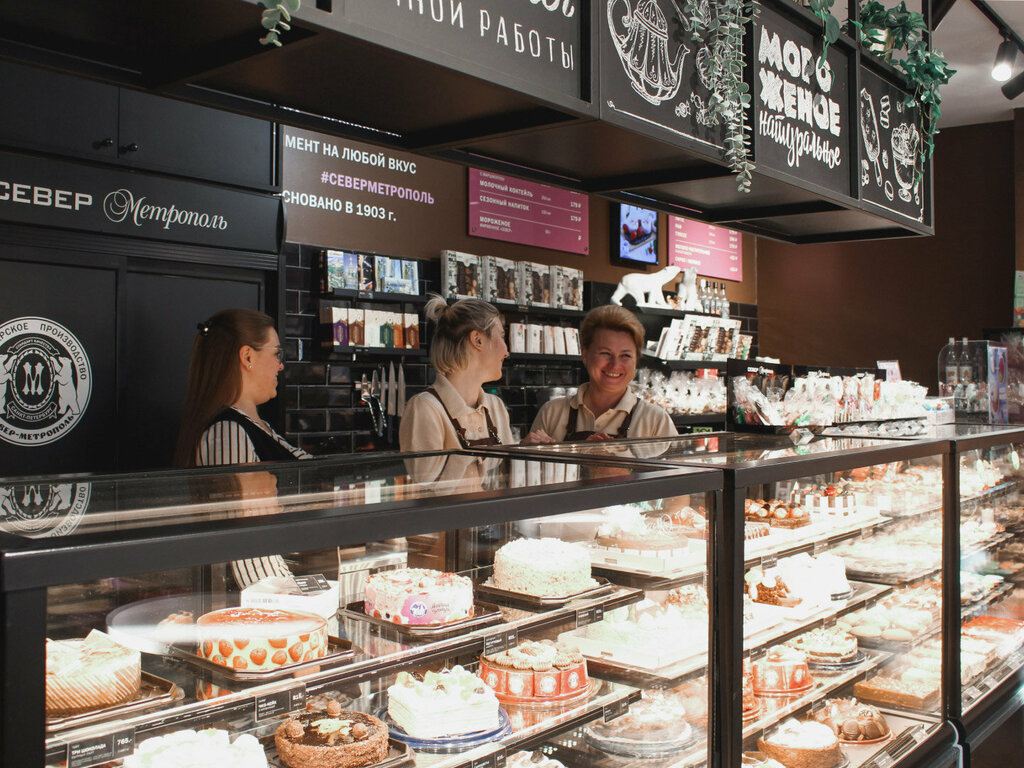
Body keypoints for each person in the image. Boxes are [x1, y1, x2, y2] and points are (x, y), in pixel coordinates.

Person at [174, 308, 310, 587]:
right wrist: (285, 595)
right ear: (248, 356)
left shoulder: (258, 426)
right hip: (258, 600)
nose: (280, 366)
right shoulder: (228, 431)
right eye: (276, 354)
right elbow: (245, 541)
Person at [525, 304, 677, 443]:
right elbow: (530, 472)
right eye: (605, 353)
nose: (615, 365)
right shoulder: (552, 412)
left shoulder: (656, 420)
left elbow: (678, 472)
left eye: (625, 355)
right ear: (585, 355)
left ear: (636, 360)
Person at [399, 295, 516, 451]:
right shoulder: (425, 408)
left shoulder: (496, 407)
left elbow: (504, 473)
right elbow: (426, 476)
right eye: (501, 337)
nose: (506, 352)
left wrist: (526, 451)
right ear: (477, 340)